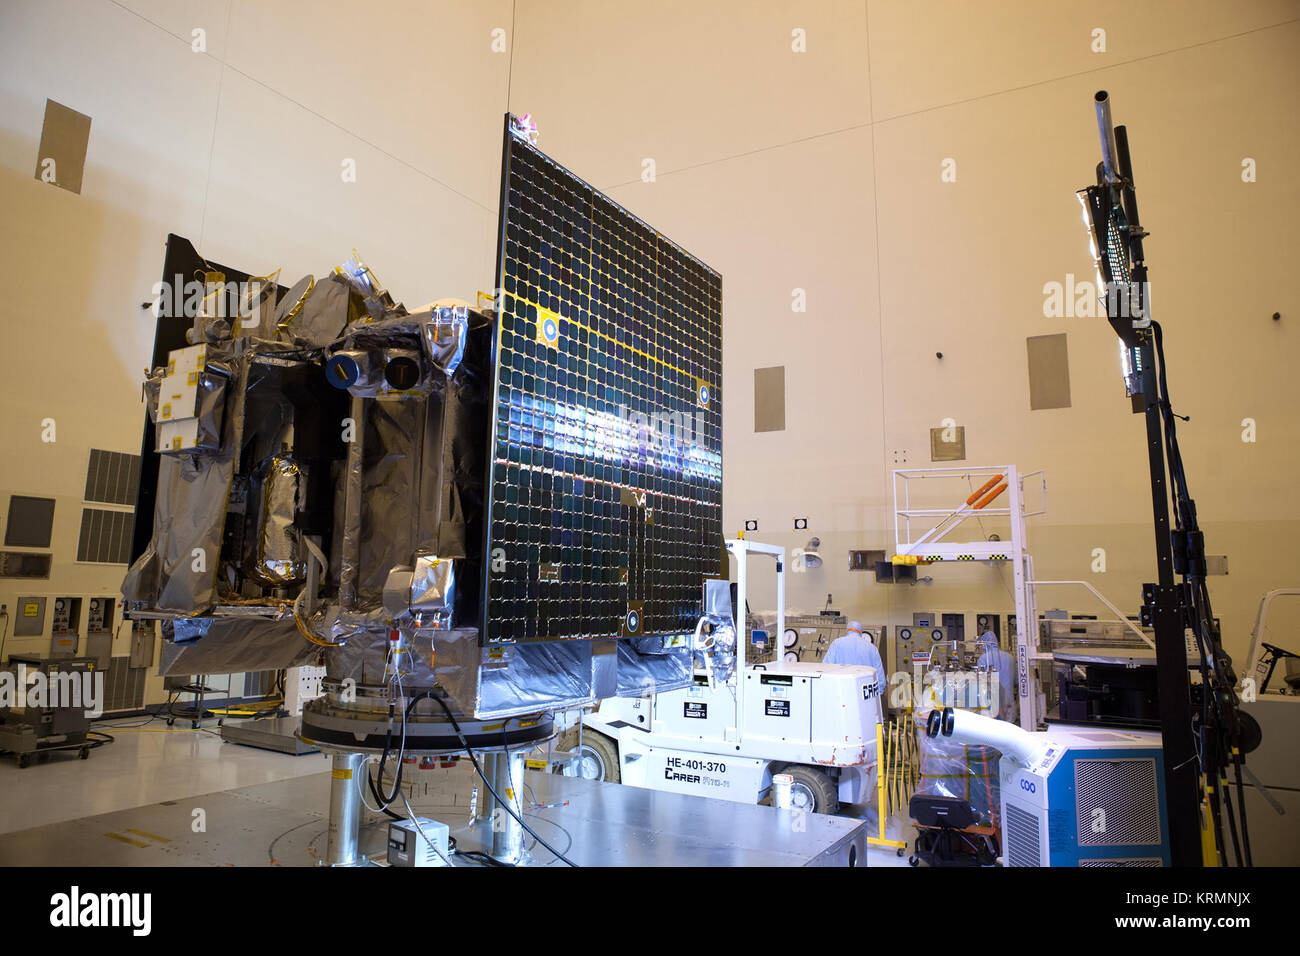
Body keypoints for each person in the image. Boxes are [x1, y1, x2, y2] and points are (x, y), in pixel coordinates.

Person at [823, 620, 885, 698]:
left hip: (841, 692)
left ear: (847, 631)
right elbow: (880, 676)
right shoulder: (872, 648)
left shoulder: (837, 643)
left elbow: (826, 667)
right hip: (864, 694)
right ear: (860, 633)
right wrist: (878, 693)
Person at [976, 629, 1017, 721]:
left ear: (984, 643)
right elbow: (1017, 680)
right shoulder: (1011, 658)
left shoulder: (983, 658)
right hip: (1009, 703)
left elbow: (980, 684)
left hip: (992, 705)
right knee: (1008, 727)